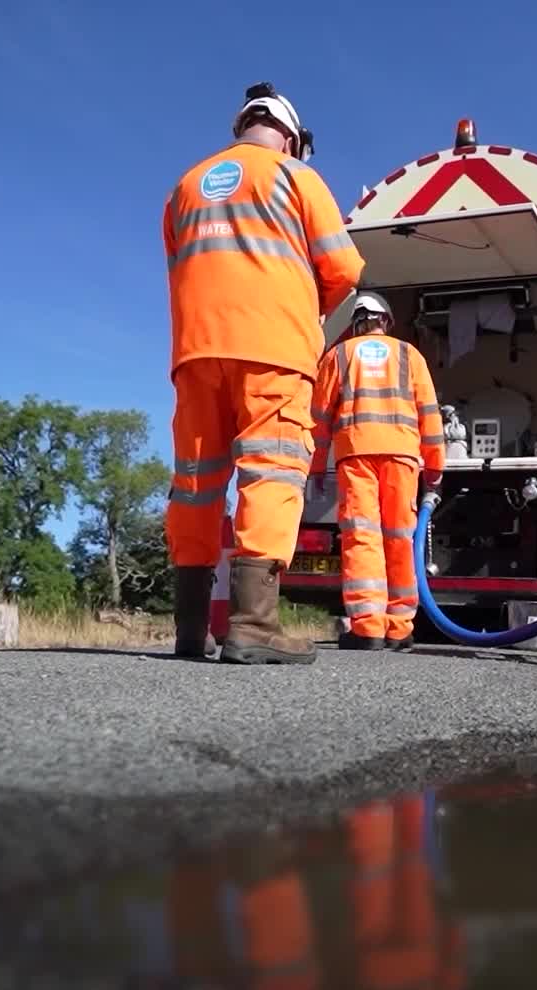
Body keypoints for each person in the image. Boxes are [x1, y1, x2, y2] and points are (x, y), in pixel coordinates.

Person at [163, 83, 364, 665]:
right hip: (273, 349)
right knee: (271, 472)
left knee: (196, 485)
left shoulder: (183, 188)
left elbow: (184, 268)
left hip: (196, 352)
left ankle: (190, 629)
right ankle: (252, 624)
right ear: (292, 138)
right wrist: (308, 305)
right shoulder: (294, 177)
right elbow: (344, 267)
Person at [309, 292, 446, 651]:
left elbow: (319, 419)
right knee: (399, 536)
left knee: (362, 536)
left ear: (356, 323)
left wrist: (315, 467)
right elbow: (429, 414)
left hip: (355, 455)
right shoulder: (409, 355)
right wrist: (435, 466)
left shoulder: (338, 356)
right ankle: (400, 628)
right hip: (402, 455)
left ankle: (368, 627)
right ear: (385, 321)